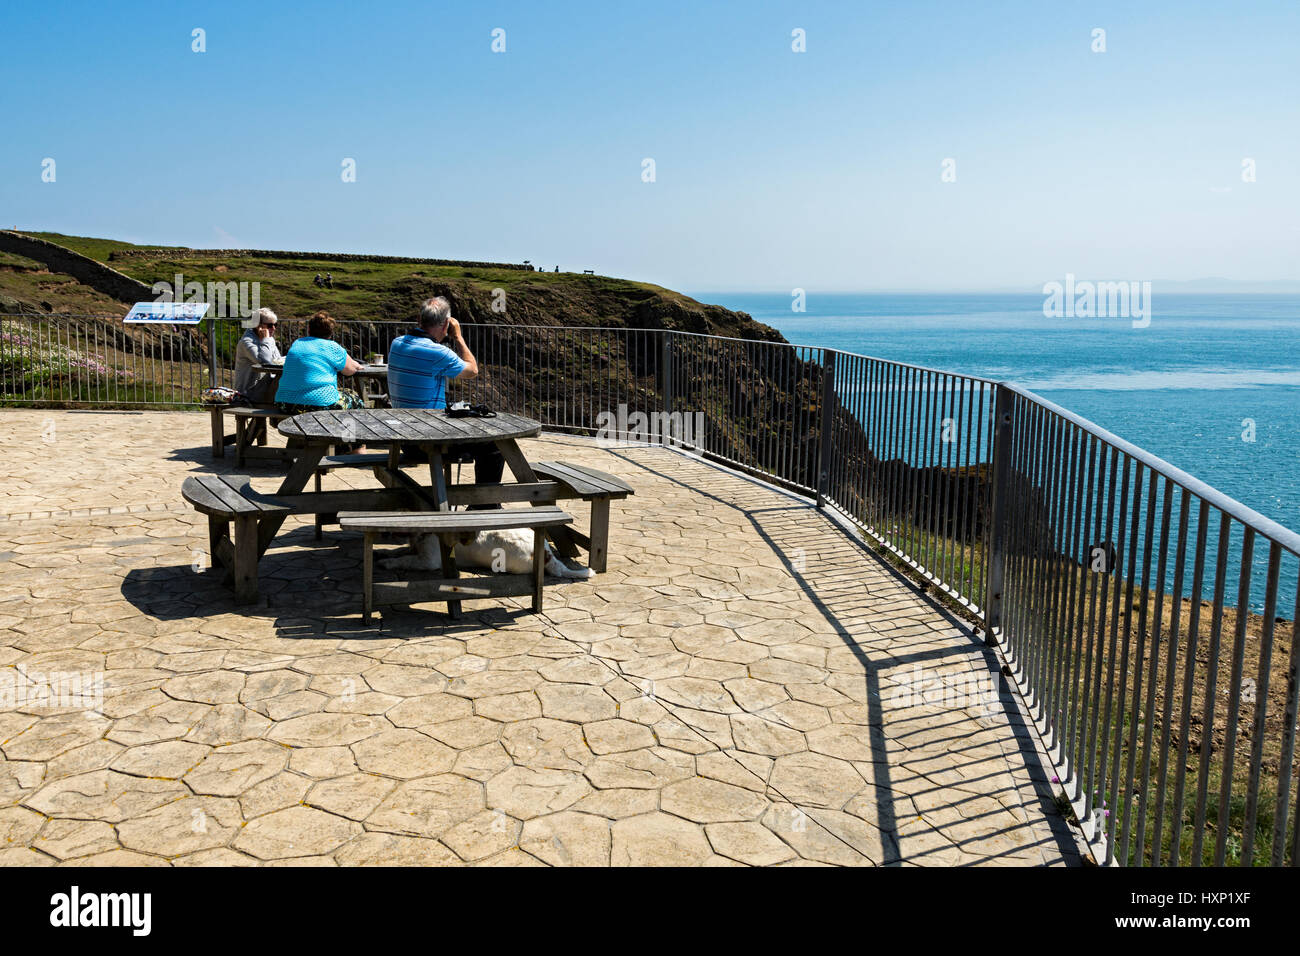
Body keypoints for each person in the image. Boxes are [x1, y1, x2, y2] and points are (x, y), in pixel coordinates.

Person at [388, 296, 504, 495]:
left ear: (419, 319)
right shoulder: (438, 353)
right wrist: (458, 336)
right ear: (446, 324)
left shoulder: (397, 343)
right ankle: (485, 505)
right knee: (494, 445)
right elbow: (472, 370)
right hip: (428, 439)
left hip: (403, 438)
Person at [275, 311, 365, 414]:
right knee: (356, 401)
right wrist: (357, 365)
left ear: (309, 330)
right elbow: (349, 370)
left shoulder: (297, 343)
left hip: (285, 404)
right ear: (331, 332)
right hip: (318, 403)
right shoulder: (332, 346)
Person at [233, 307, 283, 403]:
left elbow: (277, 360)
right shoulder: (246, 342)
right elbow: (265, 361)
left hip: (263, 388)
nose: (274, 328)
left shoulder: (270, 340)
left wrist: (267, 340)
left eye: (275, 325)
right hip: (248, 393)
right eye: (270, 325)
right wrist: (266, 340)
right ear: (257, 326)